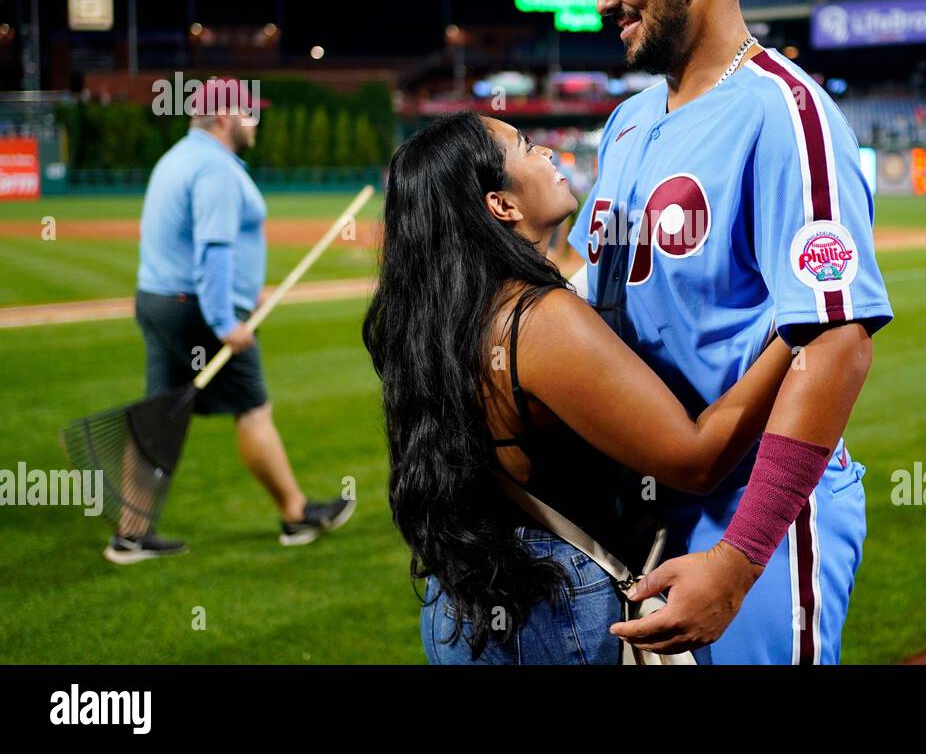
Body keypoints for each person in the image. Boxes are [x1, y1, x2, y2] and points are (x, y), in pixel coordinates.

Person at [543, 0, 893, 663]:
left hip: (754, 510)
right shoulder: (628, 122)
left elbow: (838, 341)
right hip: (637, 508)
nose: (604, 3)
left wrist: (740, 561)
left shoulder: (786, 113)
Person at [362, 113, 795, 664]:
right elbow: (695, 459)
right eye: (524, 146)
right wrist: (798, 333)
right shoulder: (539, 320)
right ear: (502, 206)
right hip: (549, 602)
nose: (545, 151)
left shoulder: (441, 315)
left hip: (468, 600)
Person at [120, 78, 354, 564]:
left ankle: (130, 533)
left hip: (161, 302)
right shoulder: (215, 169)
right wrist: (225, 319)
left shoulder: (177, 158)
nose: (255, 124)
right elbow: (213, 248)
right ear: (224, 118)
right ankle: (294, 514)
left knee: (160, 414)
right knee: (252, 408)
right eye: (250, 115)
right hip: (200, 313)